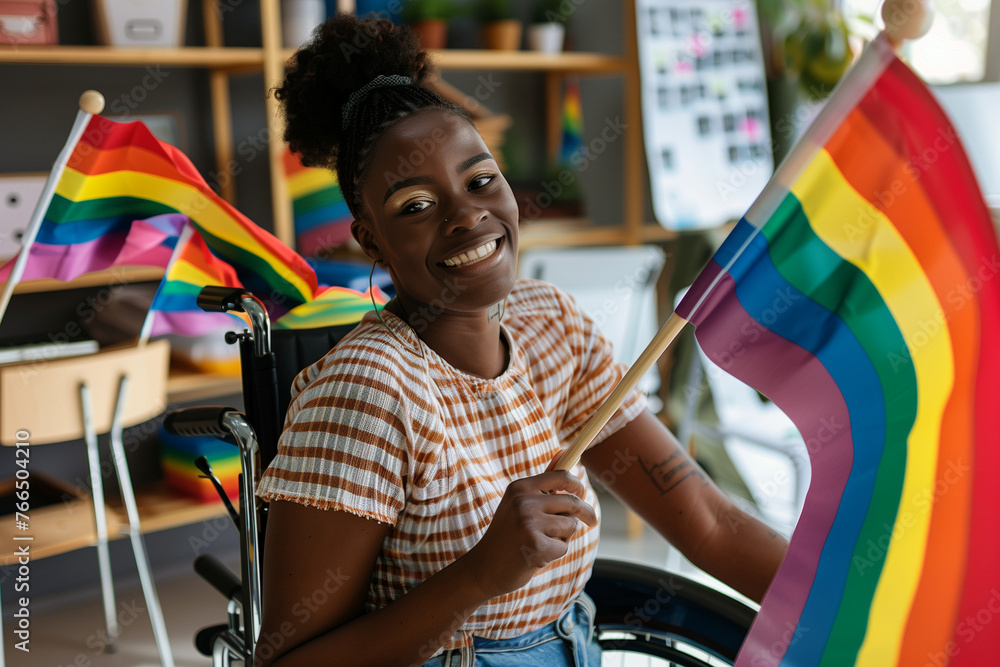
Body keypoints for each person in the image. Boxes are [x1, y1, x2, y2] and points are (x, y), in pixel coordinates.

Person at [256, 13, 787, 667]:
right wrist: (481, 573)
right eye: (416, 206)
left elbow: (708, 522)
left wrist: (870, 614)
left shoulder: (549, 323)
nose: (467, 215)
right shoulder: (366, 392)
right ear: (372, 241)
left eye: (481, 180)